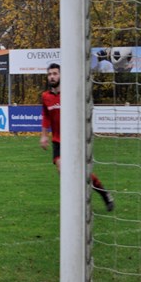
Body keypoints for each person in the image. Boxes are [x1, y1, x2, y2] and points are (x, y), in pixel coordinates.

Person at [40, 63, 114, 211]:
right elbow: (46, 116)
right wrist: (44, 136)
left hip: (74, 139)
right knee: (62, 169)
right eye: (50, 74)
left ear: (61, 75)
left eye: (55, 73)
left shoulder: (70, 94)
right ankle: (73, 202)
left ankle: (104, 193)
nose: (52, 77)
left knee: (82, 173)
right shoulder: (45, 97)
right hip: (57, 141)